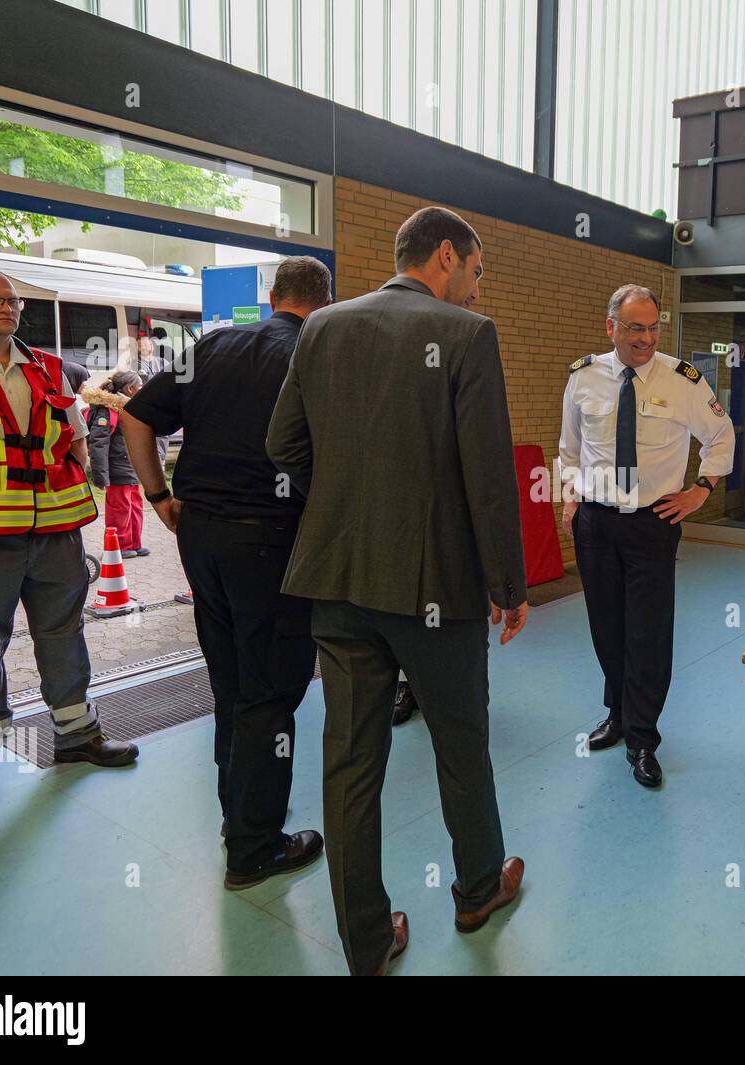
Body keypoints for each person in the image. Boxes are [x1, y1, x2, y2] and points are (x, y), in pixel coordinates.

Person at [267, 206, 528, 976]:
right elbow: (488, 477)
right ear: (445, 256)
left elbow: (281, 445)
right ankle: (480, 888)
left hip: (339, 582)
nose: (478, 293)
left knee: (349, 764)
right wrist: (509, 585)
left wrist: (347, 501)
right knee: (460, 745)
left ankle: (368, 943)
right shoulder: (467, 337)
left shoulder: (322, 327)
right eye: (477, 274)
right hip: (436, 588)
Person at [120, 256, 332, 891]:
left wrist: (160, 499)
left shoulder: (210, 345)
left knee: (231, 681)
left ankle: (237, 813)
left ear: (272, 297)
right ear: (322, 303)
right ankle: (255, 848)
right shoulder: (317, 354)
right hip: (272, 540)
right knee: (271, 691)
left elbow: (135, 417)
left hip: (201, 536)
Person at [0, 267, 137, 810]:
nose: (7, 307)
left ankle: (77, 735)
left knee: (64, 634)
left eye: (13, 300)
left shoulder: (49, 368)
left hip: (55, 534)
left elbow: (73, 439)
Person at [560, 284, 734, 788]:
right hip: (595, 522)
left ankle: (642, 739)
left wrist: (700, 490)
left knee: (649, 635)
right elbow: (570, 448)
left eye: (654, 326)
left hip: (652, 522)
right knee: (606, 628)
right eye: (635, 327)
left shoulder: (682, 379)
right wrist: (570, 496)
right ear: (610, 327)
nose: (646, 338)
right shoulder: (584, 377)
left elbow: (721, 437)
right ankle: (616, 715)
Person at [83, 370, 149, 558]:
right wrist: (101, 476)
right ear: (130, 389)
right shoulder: (108, 409)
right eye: (140, 386)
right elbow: (98, 442)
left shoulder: (129, 408)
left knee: (135, 506)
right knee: (119, 510)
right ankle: (118, 546)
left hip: (131, 469)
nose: (142, 389)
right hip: (117, 469)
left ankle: (134, 543)